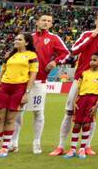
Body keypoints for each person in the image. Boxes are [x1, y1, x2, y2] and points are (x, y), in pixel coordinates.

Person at [52, 11, 98, 157]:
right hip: (80, 79)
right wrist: (92, 36)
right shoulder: (86, 34)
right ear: (96, 20)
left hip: (97, 82)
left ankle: (87, 145)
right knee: (70, 112)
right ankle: (61, 146)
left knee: (92, 114)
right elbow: (74, 50)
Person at [12, 12, 70, 154]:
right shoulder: (27, 38)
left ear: (51, 24)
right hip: (22, 80)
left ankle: (36, 142)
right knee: (18, 112)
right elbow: (15, 52)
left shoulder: (54, 38)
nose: (46, 22)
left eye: (49, 21)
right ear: (37, 22)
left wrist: (55, 61)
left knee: (38, 112)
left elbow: (66, 53)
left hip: (40, 81)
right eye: (43, 20)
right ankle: (13, 142)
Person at [0, 34, 38, 158]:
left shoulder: (32, 56)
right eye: (15, 39)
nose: (16, 41)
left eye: (20, 39)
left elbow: (33, 75)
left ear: (27, 43)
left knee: (10, 119)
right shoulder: (9, 55)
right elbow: (0, 74)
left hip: (19, 88)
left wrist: (27, 93)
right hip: (4, 87)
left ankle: (5, 147)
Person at [64, 53, 98, 159]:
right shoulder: (84, 74)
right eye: (91, 60)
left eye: (95, 60)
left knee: (87, 124)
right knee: (77, 124)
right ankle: (73, 149)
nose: (92, 62)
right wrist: (74, 101)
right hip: (81, 99)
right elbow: (78, 88)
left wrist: (96, 105)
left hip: (92, 100)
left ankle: (82, 148)